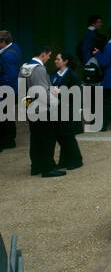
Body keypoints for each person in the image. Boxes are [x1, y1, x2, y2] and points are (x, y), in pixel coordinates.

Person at [20, 47, 64, 178]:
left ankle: (36, 166)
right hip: (43, 109)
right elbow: (43, 91)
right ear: (43, 54)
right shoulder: (39, 69)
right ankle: (48, 168)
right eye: (49, 55)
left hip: (31, 109)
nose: (49, 58)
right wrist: (55, 103)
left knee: (36, 139)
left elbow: (22, 90)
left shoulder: (24, 67)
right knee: (47, 139)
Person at [47, 52, 84, 170]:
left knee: (68, 137)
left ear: (65, 61)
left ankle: (76, 160)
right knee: (61, 136)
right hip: (56, 109)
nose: (55, 61)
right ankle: (64, 161)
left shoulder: (73, 75)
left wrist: (60, 93)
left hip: (68, 110)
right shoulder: (54, 75)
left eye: (58, 59)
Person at [0, 29, 22, 151]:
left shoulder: (7, 56)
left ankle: (7, 141)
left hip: (7, 89)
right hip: (14, 88)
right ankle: (10, 140)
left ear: (3, 42)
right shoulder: (15, 47)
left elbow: (9, 76)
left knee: (4, 118)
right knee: (8, 116)